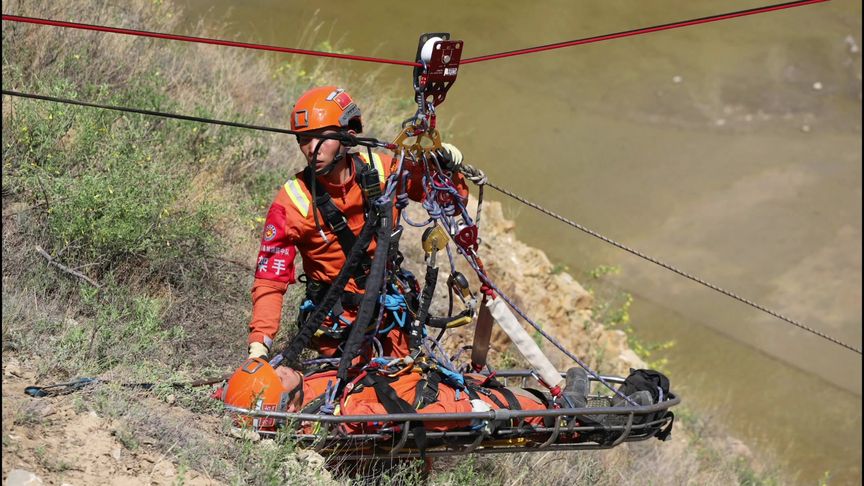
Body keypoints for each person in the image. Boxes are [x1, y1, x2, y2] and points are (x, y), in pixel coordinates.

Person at [247, 86, 469, 360]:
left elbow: (451, 201)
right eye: (303, 139)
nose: (310, 150)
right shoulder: (293, 202)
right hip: (336, 329)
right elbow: (270, 279)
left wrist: (447, 169)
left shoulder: (383, 171)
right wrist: (259, 348)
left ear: (347, 136)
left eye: (320, 138)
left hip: (391, 318)